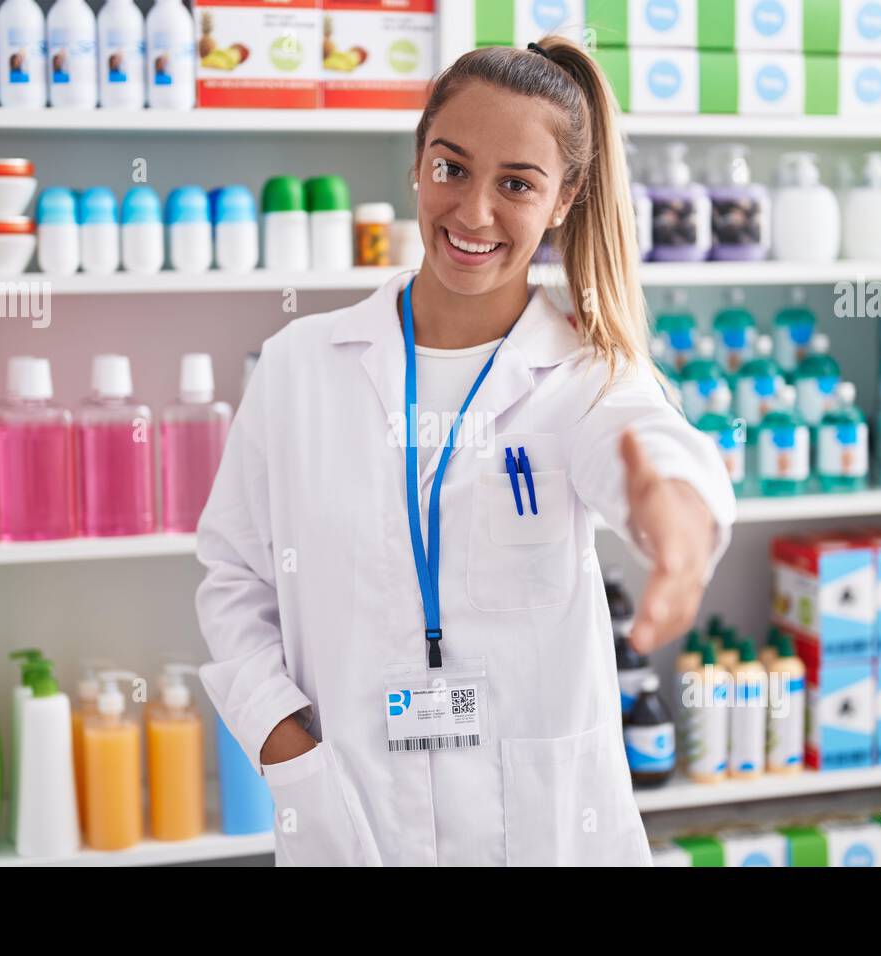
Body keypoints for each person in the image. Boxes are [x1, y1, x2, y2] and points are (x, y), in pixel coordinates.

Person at [196, 36, 735, 866]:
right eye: (452, 168)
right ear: (417, 163)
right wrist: (278, 735)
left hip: (544, 830)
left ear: (564, 199)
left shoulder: (585, 377)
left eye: (517, 183)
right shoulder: (302, 366)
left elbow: (650, 447)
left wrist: (678, 517)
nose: (475, 212)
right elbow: (234, 578)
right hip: (349, 813)